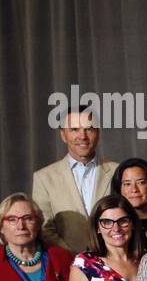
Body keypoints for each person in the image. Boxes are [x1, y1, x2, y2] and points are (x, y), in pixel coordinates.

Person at [31, 107, 117, 253]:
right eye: (74, 129)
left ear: (98, 133)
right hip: (67, 265)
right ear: (63, 135)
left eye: (89, 129)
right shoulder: (44, 177)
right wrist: (75, 260)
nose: (82, 136)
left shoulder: (117, 171)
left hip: (113, 262)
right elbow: (44, 228)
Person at [113, 157, 147, 252]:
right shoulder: (113, 224)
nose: (134, 189)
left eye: (141, 182)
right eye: (127, 184)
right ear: (119, 190)